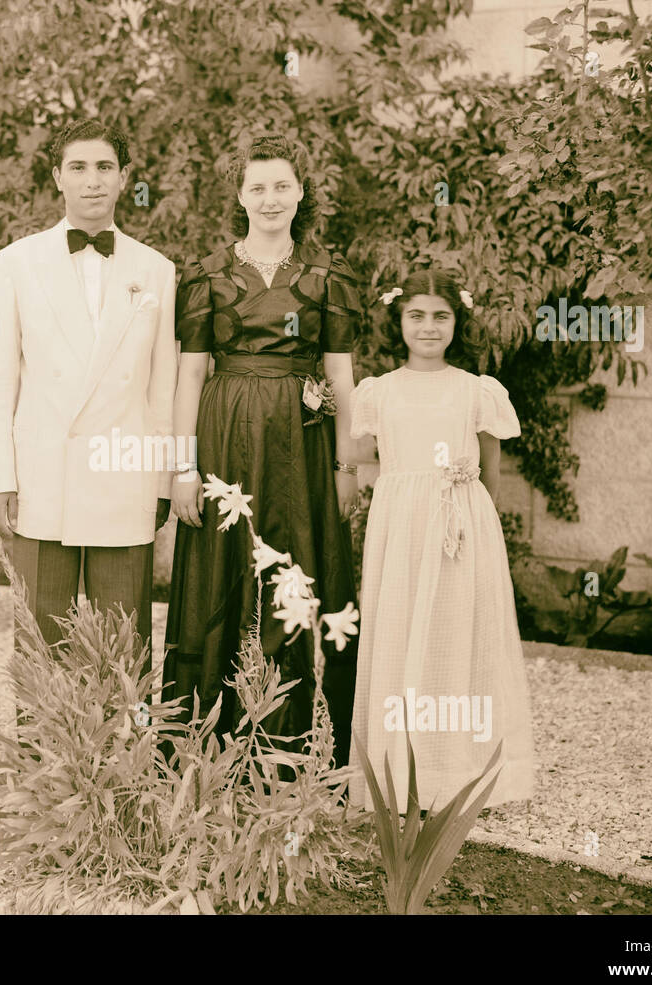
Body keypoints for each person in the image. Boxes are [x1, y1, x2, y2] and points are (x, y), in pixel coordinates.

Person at [163, 134, 361, 767]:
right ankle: (207, 746)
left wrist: (349, 463)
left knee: (298, 566)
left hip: (301, 444)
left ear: (301, 193)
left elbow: (341, 376)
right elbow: (189, 375)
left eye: (282, 186)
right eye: (257, 187)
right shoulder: (209, 276)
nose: (270, 198)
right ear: (240, 196)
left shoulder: (330, 274)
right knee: (220, 574)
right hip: (223, 434)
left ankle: (295, 747)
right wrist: (184, 469)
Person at [0, 119, 177, 653]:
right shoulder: (16, 263)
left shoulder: (157, 270)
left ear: (124, 177)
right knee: (41, 646)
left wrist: (162, 480)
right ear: (57, 177)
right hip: (44, 474)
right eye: (79, 168)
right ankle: (40, 742)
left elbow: (165, 389)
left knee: (122, 649)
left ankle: (122, 740)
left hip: (125, 474)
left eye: (105, 168)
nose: (93, 180)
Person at [348, 269, 535, 812]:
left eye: (441, 316)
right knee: (401, 631)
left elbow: (491, 472)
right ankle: (400, 766)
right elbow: (367, 464)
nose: (428, 327)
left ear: (458, 322)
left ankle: (458, 767)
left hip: (460, 523)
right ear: (398, 321)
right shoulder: (378, 392)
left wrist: (469, 522)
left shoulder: (476, 389)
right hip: (401, 527)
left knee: (459, 635)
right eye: (416, 316)